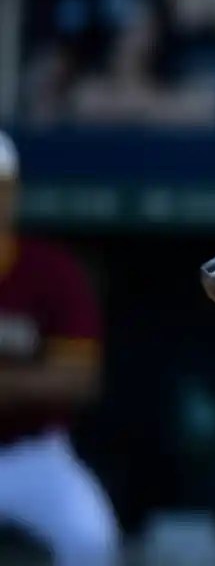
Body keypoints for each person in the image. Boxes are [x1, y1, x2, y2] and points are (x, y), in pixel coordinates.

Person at [0, 131, 120, 565]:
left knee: (90, 538)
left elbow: (79, 380)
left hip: (32, 455)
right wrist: (25, 381)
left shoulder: (49, 270)